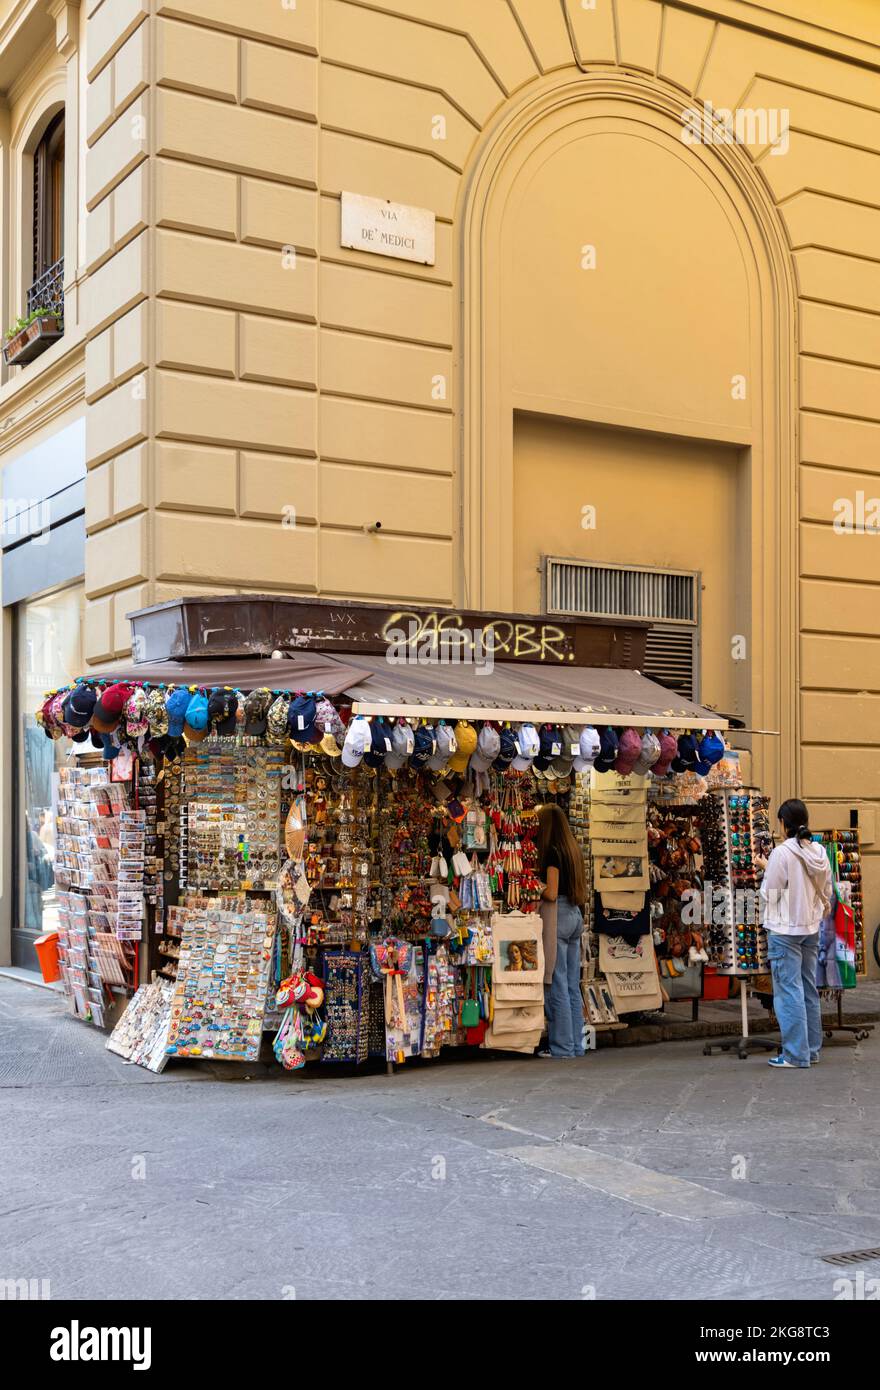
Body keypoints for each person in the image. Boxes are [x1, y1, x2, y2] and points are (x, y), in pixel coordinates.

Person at [759, 799, 832, 1069]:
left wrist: (765, 872)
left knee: (789, 990)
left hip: (784, 928)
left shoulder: (782, 853)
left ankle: (795, 1054)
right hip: (811, 927)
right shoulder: (819, 852)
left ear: (782, 823)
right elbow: (827, 890)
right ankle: (811, 1050)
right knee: (808, 989)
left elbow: (770, 892)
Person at [536, 804, 588, 1058]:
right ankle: (577, 1045)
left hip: (558, 915)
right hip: (575, 915)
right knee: (571, 985)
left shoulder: (552, 853)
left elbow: (552, 893)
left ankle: (562, 1047)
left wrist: (534, 886)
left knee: (556, 984)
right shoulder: (573, 849)